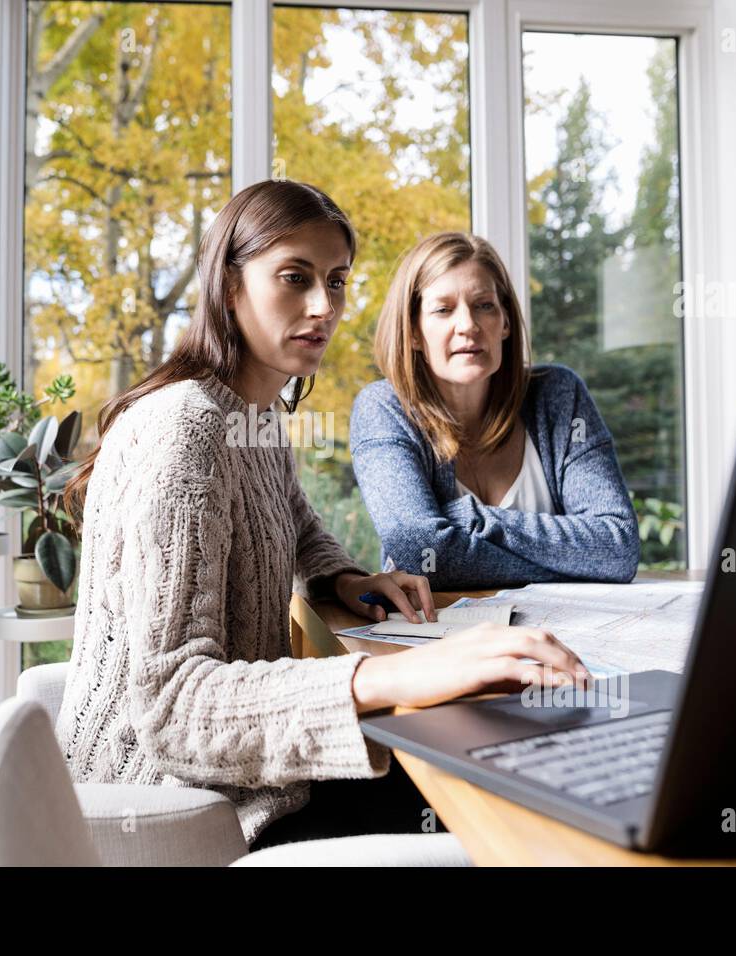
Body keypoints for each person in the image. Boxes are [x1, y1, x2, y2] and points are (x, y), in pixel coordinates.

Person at [57, 185, 589, 849]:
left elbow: (294, 523)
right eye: (294, 278)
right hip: (175, 808)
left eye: (336, 282)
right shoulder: (183, 429)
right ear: (228, 285)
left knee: (497, 764)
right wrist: (399, 673)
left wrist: (341, 577)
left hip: (243, 771)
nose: (324, 307)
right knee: (514, 812)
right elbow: (172, 708)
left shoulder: (252, 417)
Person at [350, 232, 640, 590]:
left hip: (565, 635)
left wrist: (472, 519)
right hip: (441, 638)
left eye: (484, 305)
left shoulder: (558, 395)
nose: (468, 325)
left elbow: (617, 546)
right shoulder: (383, 408)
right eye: (443, 310)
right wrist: (573, 566)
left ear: (504, 322)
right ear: (412, 331)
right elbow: (423, 554)